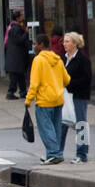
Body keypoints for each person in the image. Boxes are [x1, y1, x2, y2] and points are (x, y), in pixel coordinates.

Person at [26, 33, 70, 164]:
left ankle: (53, 153)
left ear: (41, 45)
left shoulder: (38, 60)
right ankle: (55, 153)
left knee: (45, 128)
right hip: (58, 99)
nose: (34, 46)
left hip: (44, 100)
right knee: (55, 128)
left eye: (35, 44)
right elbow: (67, 79)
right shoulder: (57, 59)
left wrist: (28, 100)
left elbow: (34, 83)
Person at [59, 31, 92, 164]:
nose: (64, 44)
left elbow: (87, 78)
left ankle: (82, 153)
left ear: (75, 43)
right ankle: (57, 152)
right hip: (65, 96)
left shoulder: (83, 59)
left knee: (81, 124)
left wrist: (70, 84)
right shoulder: (62, 58)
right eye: (64, 41)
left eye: (67, 41)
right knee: (62, 123)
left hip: (79, 95)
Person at [4, 10, 30, 100]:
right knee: (15, 75)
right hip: (16, 56)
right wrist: (26, 33)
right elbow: (19, 40)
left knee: (20, 75)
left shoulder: (12, 26)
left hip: (15, 56)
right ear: (18, 18)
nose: (23, 17)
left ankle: (23, 92)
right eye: (21, 15)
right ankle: (11, 92)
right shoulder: (16, 28)